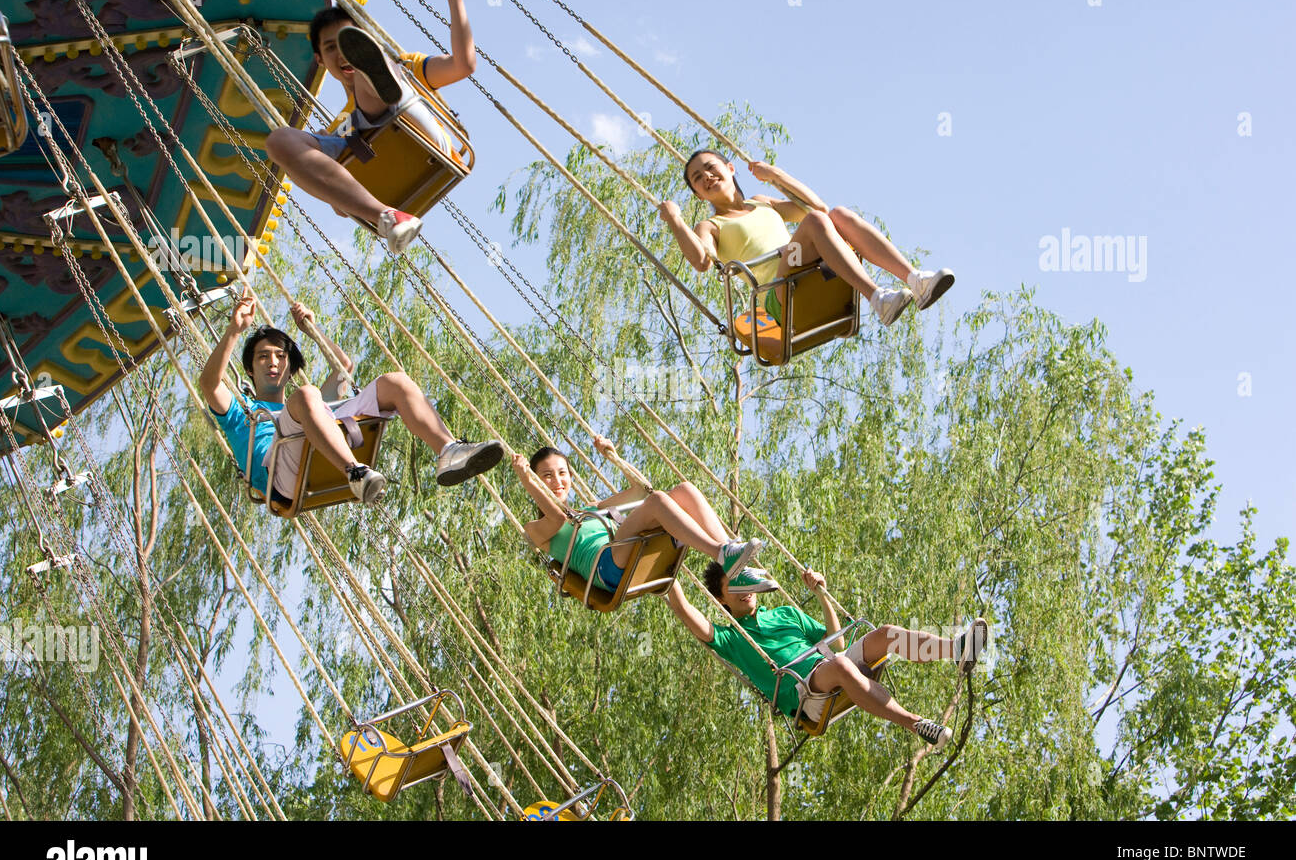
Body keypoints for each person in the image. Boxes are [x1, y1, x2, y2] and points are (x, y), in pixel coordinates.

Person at [199, 294, 503, 507]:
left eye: (281, 356)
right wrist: (234, 330)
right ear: (250, 369)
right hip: (280, 477)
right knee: (308, 396)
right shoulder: (245, 414)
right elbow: (210, 384)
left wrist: (311, 329)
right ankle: (355, 472)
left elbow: (342, 368)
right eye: (263, 357)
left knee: (394, 381)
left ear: (291, 368)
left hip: (314, 444)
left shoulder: (310, 408)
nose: (273, 362)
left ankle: (447, 450)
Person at [264, 0, 476, 255]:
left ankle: (377, 76)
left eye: (347, 44)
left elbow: (463, 64)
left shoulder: (409, 67)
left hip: (426, 141)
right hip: (379, 174)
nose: (341, 55)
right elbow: (339, 208)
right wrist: (324, 151)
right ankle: (387, 217)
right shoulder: (341, 125)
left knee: (380, 81)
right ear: (320, 60)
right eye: (331, 48)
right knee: (280, 141)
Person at [664, 562, 989, 748]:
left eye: (742, 580)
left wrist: (820, 594)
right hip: (805, 695)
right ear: (721, 598)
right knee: (842, 665)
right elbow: (685, 610)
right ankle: (917, 725)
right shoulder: (730, 637)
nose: (742, 589)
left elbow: (833, 641)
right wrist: (667, 572)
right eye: (731, 586)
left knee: (885, 633)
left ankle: (958, 650)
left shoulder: (785, 615)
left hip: (831, 664)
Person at [658, 150, 955, 338]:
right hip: (778, 294)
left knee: (837, 214)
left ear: (730, 168)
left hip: (806, 270)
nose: (707, 176)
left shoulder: (761, 202)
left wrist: (776, 175)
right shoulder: (710, 225)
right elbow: (701, 261)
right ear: (699, 195)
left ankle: (915, 280)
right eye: (698, 178)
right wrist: (675, 220)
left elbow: (818, 207)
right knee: (815, 223)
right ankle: (877, 298)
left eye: (711, 167)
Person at [512, 435, 777, 593]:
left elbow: (640, 490)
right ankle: (722, 553)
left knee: (684, 490)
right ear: (535, 482)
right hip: (606, 568)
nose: (557, 481)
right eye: (546, 476)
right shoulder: (534, 528)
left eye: (562, 473)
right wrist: (525, 481)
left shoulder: (590, 509)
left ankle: (729, 561)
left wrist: (613, 456)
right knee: (658, 501)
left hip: (628, 549)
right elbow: (557, 518)